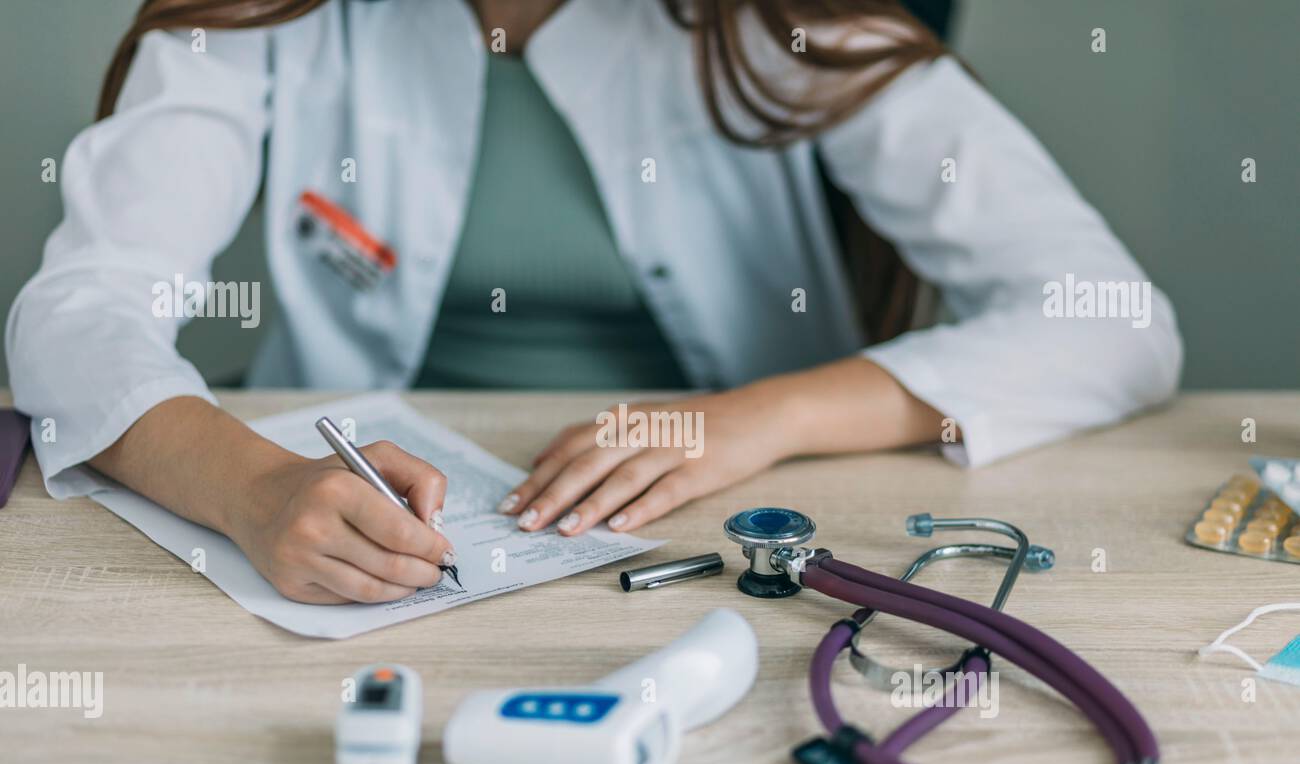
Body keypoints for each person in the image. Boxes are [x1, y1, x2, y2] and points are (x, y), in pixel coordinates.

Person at [4, 0, 1181, 604]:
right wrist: (251, 485)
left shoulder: (787, 25)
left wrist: (752, 419)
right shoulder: (265, 24)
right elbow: (77, 310)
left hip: (708, 550)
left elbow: (1113, 322)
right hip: (360, 544)